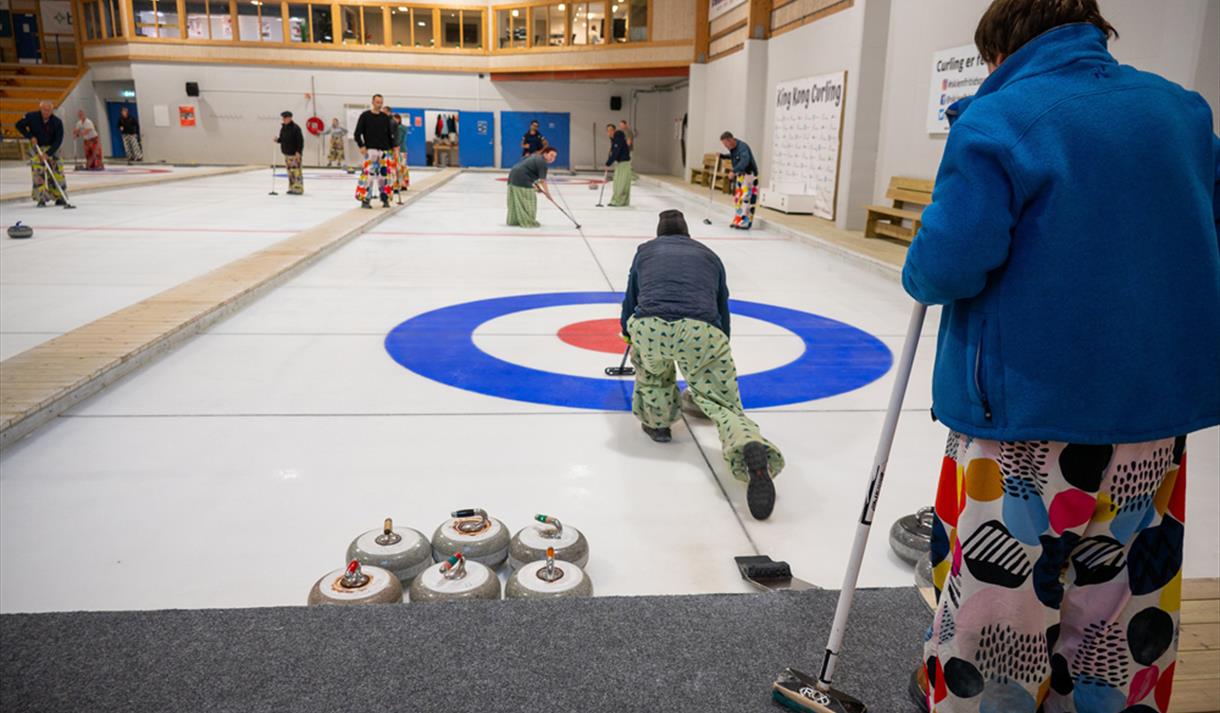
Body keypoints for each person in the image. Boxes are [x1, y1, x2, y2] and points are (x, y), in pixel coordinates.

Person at [905, 2, 1220, 712]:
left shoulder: (998, 118)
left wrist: (921, 261)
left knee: (1002, 613)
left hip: (1026, 424)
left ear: (1000, 50)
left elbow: (946, 266)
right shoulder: (1183, 114)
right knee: (1117, 611)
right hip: (1153, 420)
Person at [620, 209, 783, 520]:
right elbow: (722, 304)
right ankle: (747, 444)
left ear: (659, 233)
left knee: (653, 375)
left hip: (651, 328)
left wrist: (629, 333)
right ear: (687, 233)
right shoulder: (709, 255)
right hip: (701, 332)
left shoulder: (645, 251)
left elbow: (632, 298)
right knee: (722, 403)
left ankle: (658, 425)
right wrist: (720, 345)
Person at [15, 100, 66, 207]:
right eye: (44, 110)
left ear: (52, 110)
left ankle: (59, 197)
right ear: (40, 109)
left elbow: (58, 140)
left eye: (49, 110)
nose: (46, 112)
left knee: (57, 173)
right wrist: (30, 136)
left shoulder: (57, 122)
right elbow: (18, 125)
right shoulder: (31, 117)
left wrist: (48, 153)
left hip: (53, 149)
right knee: (38, 174)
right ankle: (41, 198)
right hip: (37, 148)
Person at [353, 94, 395, 208]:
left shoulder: (385, 117)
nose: (379, 104)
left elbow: (389, 135)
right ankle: (365, 199)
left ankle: (385, 199)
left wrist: (392, 148)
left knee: (384, 177)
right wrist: (361, 146)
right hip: (370, 150)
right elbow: (357, 133)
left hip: (384, 151)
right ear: (372, 102)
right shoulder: (365, 116)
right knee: (368, 176)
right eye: (377, 102)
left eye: (381, 102)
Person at [506, 146, 558, 228]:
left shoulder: (536, 156)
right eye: (551, 155)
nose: (553, 158)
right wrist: (548, 194)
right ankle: (528, 221)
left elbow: (527, 166)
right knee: (530, 200)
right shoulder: (543, 163)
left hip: (513, 176)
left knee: (517, 199)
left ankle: (514, 220)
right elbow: (543, 180)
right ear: (545, 153)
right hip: (521, 178)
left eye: (554, 157)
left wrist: (535, 185)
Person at [719, 132, 758, 229]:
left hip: (749, 175)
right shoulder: (733, 148)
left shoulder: (742, 147)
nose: (725, 146)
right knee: (738, 198)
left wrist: (734, 171)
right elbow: (733, 156)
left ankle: (745, 221)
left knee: (746, 198)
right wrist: (722, 156)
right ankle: (738, 219)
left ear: (730, 140)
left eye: (725, 144)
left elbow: (745, 161)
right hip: (741, 175)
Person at [274, 110, 304, 195]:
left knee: (296, 172)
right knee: (290, 172)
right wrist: (277, 140)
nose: (283, 119)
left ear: (290, 118)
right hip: (286, 154)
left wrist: (298, 151)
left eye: (285, 118)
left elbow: (300, 141)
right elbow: (282, 139)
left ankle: (298, 188)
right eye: (283, 118)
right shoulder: (283, 128)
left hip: (294, 155)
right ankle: (292, 188)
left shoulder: (296, 128)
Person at [604, 123, 631, 207]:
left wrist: (608, 163)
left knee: (619, 183)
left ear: (614, 130)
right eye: (608, 131)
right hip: (622, 163)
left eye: (611, 130)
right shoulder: (614, 139)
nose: (609, 132)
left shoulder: (618, 138)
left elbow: (616, 152)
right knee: (622, 183)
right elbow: (612, 152)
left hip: (623, 163)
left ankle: (617, 201)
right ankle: (623, 201)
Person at [392, 113, 410, 198]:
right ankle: (404, 184)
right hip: (404, 150)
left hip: (398, 150)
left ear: (398, 119)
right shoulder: (404, 128)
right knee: (403, 167)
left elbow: (398, 140)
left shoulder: (399, 128)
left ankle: (396, 186)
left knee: (397, 168)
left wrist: (393, 146)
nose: (393, 121)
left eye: (395, 119)